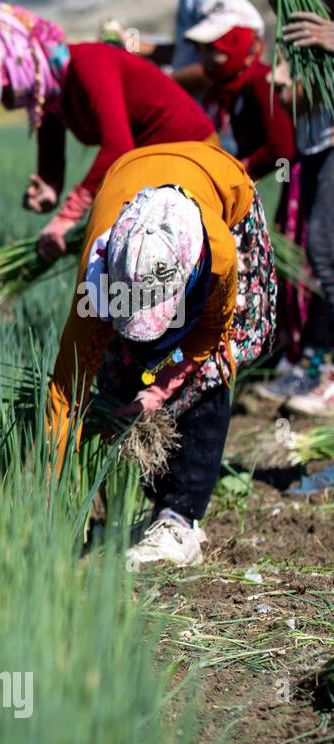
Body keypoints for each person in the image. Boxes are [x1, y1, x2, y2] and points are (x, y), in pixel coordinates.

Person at [46, 141, 276, 569]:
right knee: (121, 371)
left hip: (220, 185)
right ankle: (158, 511)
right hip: (129, 175)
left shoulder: (220, 254)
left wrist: (164, 386)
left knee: (208, 371)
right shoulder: (96, 276)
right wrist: (46, 494)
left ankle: (180, 519)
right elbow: (65, 389)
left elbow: (209, 335)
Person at [0, 3, 217, 264]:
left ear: (20, 60)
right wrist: (49, 188)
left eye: (5, 90)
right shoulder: (50, 97)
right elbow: (51, 162)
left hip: (192, 158)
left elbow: (118, 147)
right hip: (152, 167)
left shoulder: (90, 65)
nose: (6, 102)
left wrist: (67, 217)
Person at [259, 4, 334, 411]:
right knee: (322, 262)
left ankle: (325, 376)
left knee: (327, 254)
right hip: (315, 141)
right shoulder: (300, 10)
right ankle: (315, 366)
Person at [188, 0, 292, 180]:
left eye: (213, 48)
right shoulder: (219, 92)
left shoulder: (263, 81)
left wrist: (234, 175)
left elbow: (281, 149)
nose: (204, 57)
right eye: (201, 48)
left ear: (241, 43)